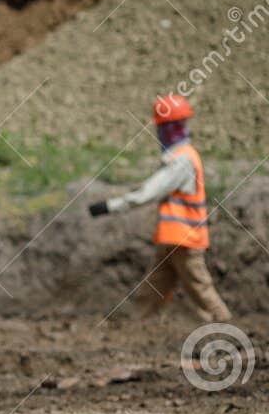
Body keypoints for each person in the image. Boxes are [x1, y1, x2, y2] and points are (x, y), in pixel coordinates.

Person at [88, 94, 230, 322]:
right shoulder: (179, 158)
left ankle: (229, 327)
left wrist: (109, 206)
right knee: (154, 286)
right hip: (172, 240)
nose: (160, 134)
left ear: (171, 128)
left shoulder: (182, 161)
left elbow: (147, 193)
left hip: (185, 240)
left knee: (200, 289)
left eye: (163, 128)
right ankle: (137, 325)